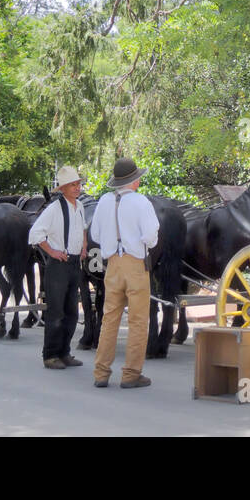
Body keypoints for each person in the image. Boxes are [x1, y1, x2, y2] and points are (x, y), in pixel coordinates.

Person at [89, 156, 159, 389]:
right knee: (138, 321)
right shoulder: (142, 203)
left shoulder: (104, 202)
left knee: (110, 319)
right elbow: (151, 236)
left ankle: (101, 373)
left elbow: (95, 236)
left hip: (112, 264)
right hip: (135, 263)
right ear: (135, 181)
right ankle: (130, 374)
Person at [29, 166, 88, 369]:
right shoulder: (54, 209)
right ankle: (50, 355)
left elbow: (82, 228)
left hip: (74, 264)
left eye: (78, 184)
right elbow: (35, 233)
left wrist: (83, 247)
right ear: (62, 188)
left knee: (71, 311)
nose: (77, 188)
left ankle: (65, 352)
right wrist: (52, 252)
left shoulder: (79, 206)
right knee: (56, 312)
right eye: (73, 184)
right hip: (58, 265)